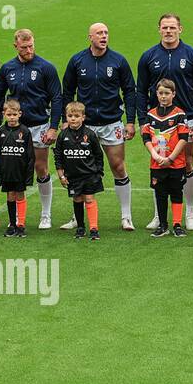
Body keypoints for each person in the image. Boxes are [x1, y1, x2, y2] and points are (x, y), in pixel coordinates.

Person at [61, 22, 138, 231]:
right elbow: (67, 91)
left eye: (106, 33)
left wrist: (130, 121)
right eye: (99, 33)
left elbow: (130, 91)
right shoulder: (77, 60)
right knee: (78, 170)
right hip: (84, 127)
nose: (104, 36)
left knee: (118, 166)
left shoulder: (118, 60)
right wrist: (65, 120)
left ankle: (126, 216)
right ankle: (77, 218)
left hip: (111, 122)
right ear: (90, 37)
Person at [137, 13, 193, 230]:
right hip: (157, 119)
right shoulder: (148, 56)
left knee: (186, 163)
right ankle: (159, 216)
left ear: (180, 29)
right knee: (159, 163)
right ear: (159, 29)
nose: (169, 31)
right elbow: (140, 91)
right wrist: (142, 120)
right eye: (165, 28)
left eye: (172, 27)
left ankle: (190, 214)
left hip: (186, 117)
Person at [0, 29, 63, 230]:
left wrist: (54, 127)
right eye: (24, 47)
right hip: (14, 129)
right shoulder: (8, 68)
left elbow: (57, 98)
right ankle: (16, 219)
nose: (28, 50)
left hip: (39, 126)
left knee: (40, 168)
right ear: (16, 46)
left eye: (31, 46)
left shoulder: (46, 68)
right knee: (13, 169)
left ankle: (45, 214)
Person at [143, 79, 189, 238]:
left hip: (176, 163)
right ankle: (163, 225)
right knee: (160, 194)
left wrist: (170, 158)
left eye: (167, 93)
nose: (163, 96)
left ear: (173, 94)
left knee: (177, 193)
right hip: (157, 163)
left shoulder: (180, 114)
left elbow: (184, 138)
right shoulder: (150, 115)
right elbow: (146, 138)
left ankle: (177, 224)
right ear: (156, 94)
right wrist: (155, 156)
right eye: (160, 93)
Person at [53, 102, 104, 241]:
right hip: (72, 176)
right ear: (66, 117)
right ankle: (80, 227)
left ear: (83, 117)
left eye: (76, 116)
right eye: (70, 116)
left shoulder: (90, 134)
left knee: (89, 199)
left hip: (89, 175)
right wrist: (61, 175)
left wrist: (99, 173)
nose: (73, 119)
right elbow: (58, 157)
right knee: (77, 199)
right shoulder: (63, 136)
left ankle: (94, 228)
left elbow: (98, 154)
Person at [0, 98, 36, 237]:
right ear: (4, 114)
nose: (12, 118)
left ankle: (21, 224)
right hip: (7, 172)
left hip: (20, 172)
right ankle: (12, 224)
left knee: (20, 195)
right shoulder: (0, 131)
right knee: (10, 196)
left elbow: (30, 155)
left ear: (20, 114)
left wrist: (29, 176)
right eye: (9, 115)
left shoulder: (25, 131)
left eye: (14, 115)